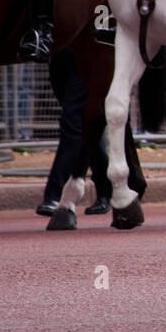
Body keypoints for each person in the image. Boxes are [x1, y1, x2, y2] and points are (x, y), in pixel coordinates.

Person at [35, 48, 114, 217]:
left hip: (89, 54)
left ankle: (55, 194)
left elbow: (104, 22)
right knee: (86, 130)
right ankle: (107, 188)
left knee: (72, 123)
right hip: (61, 51)